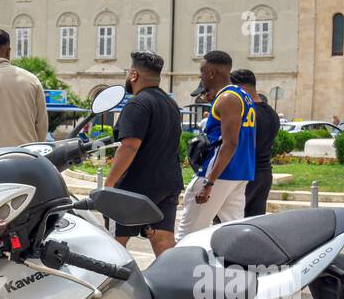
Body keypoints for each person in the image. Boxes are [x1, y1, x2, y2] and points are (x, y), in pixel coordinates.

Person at [104, 51, 183, 255]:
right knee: (163, 240)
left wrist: (110, 184)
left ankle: (111, 286)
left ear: (134, 74)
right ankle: (168, 283)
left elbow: (130, 145)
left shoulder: (138, 103)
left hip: (136, 185)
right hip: (168, 181)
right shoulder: (170, 104)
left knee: (113, 243)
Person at [175, 50, 256, 238]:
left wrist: (209, 182)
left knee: (187, 235)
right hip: (240, 171)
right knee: (233, 234)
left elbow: (230, 143)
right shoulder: (243, 95)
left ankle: (181, 267)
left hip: (220, 172)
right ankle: (230, 267)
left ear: (211, 73)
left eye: (201, 72)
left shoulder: (227, 98)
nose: (200, 77)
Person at [230, 68, 279, 218]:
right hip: (264, 173)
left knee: (228, 223)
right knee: (253, 222)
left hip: (245, 174)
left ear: (240, 88)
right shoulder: (272, 113)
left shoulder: (247, 111)